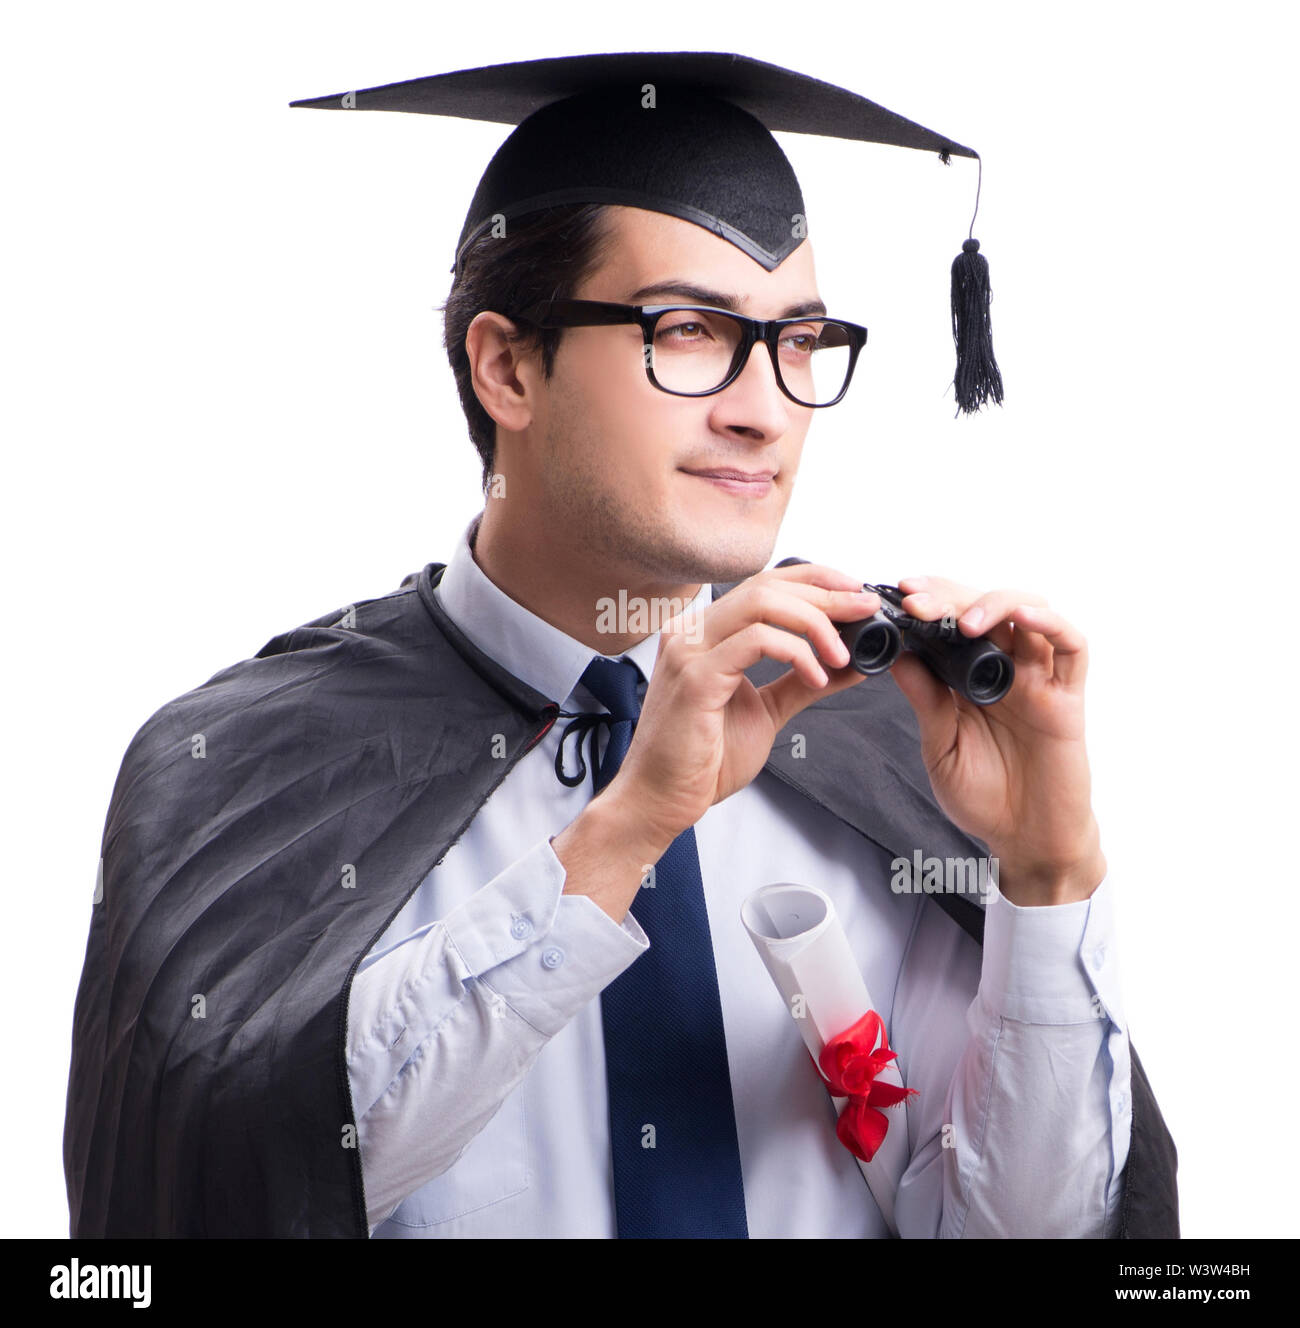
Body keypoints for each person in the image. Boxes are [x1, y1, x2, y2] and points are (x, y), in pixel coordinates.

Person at [63, 52, 1178, 1238]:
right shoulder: (248, 758)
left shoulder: (886, 734)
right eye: (689, 330)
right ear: (506, 366)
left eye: (799, 341)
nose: (764, 406)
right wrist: (619, 838)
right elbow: (223, 1190)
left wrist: (1047, 880)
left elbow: (1018, 1230)